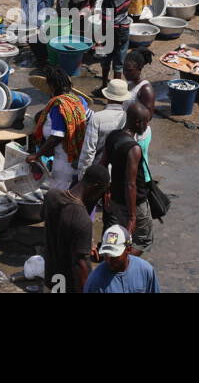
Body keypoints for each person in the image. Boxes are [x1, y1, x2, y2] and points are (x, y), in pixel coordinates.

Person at [44, 165, 111, 293]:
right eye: (102, 192)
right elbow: (81, 266)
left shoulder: (51, 196)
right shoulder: (82, 219)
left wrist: (84, 242)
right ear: (95, 186)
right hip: (67, 286)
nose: (100, 197)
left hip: (50, 279)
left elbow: (59, 227)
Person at [98, 103, 153, 254]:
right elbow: (130, 184)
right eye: (146, 122)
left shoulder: (113, 136)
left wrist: (106, 191)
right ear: (138, 122)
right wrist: (132, 216)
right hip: (134, 203)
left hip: (115, 200)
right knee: (141, 241)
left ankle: (111, 258)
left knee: (116, 236)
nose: (147, 126)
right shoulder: (134, 149)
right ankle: (122, 262)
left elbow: (102, 166)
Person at [28, 66, 90, 189]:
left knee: (59, 192)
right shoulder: (79, 100)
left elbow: (57, 136)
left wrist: (37, 155)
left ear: (52, 86)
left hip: (64, 159)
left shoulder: (58, 106)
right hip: (80, 154)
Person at [83, 225, 161, 293]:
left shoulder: (145, 270)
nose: (109, 260)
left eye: (114, 255)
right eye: (106, 254)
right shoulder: (95, 281)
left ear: (128, 250)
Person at [79, 81, 130, 172]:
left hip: (99, 171)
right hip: (120, 171)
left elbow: (88, 151)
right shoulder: (128, 118)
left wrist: (82, 174)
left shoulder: (96, 118)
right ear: (124, 99)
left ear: (107, 97)